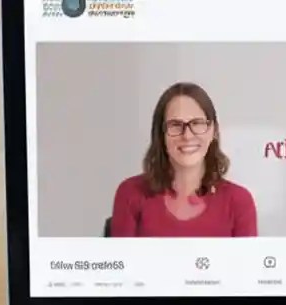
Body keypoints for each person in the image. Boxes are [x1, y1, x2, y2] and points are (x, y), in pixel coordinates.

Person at [110, 82, 258, 237]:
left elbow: (247, 262)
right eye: (175, 125)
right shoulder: (131, 194)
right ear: (161, 135)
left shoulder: (239, 202)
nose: (187, 136)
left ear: (214, 130)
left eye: (197, 123)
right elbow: (121, 261)